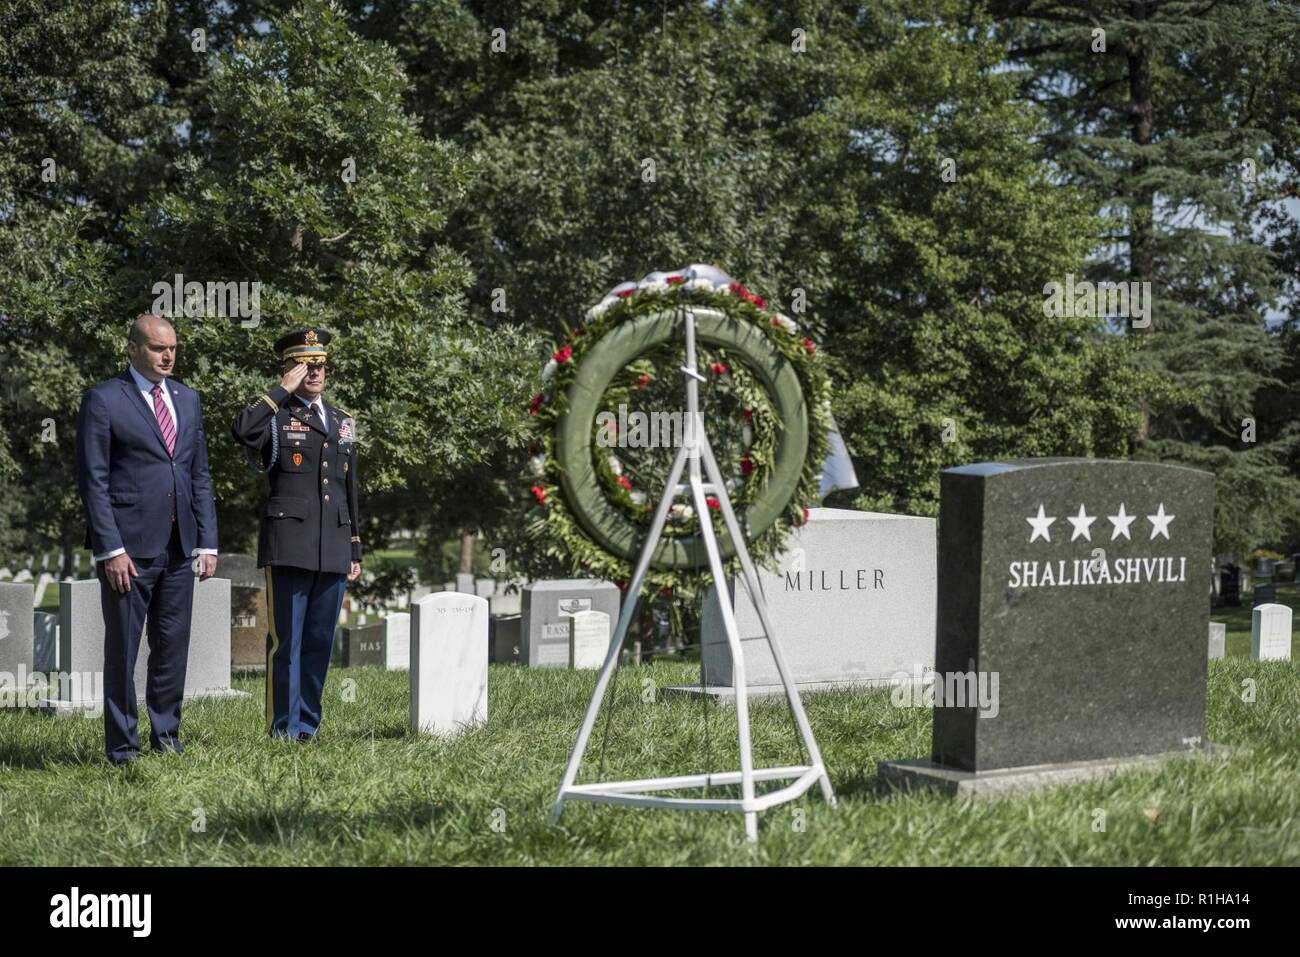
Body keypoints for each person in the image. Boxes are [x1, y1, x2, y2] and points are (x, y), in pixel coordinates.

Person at [75, 314, 219, 765]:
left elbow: (198, 475)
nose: (168, 355)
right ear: (133, 348)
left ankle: (167, 736)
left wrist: (208, 541)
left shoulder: (188, 400)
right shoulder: (103, 399)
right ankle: (122, 747)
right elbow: (93, 480)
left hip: (180, 546)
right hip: (128, 551)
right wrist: (110, 549)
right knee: (123, 650)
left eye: (173, 347)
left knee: (172, 645)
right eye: (158, 348)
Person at [231, 327, 361, 741]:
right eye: (305, 365)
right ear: (288, 368)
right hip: (290, 543)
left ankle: (308, 726)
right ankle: (282, 728)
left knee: (320, 641)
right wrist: (278, 392)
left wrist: (355, 546)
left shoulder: (342, 422)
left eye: (321, 364)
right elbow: (243, 431)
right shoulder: (277, 415)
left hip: (333, 545)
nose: (315, 372)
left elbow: (349, 487)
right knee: (286, 642)